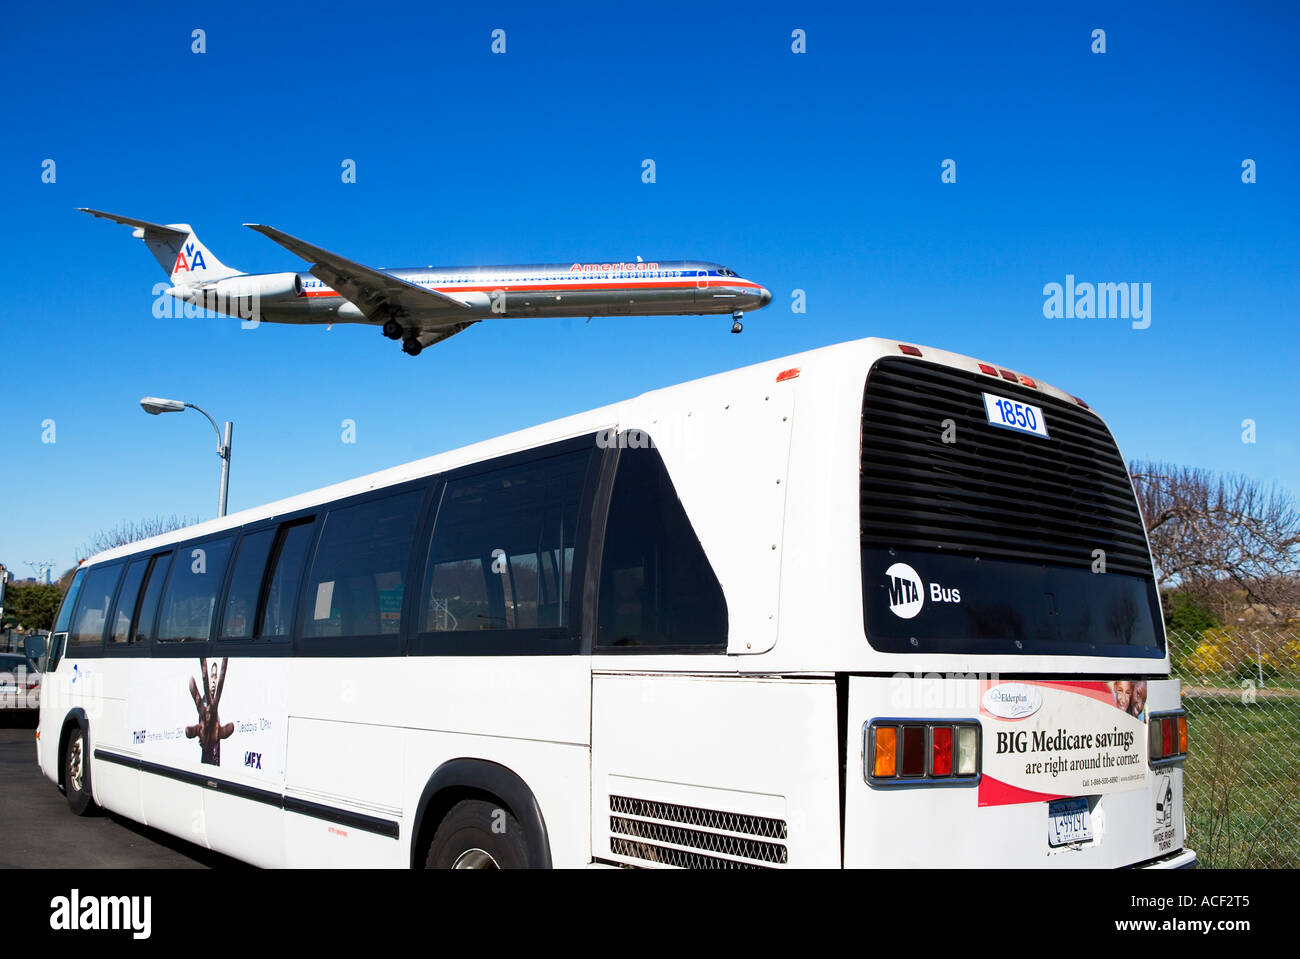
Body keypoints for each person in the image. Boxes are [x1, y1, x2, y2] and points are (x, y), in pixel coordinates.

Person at [184, 657, 234, 765]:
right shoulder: (202, 702)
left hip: (215, 753)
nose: (213, 682)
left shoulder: (218, 704)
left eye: (215, 677)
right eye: (212, 676)